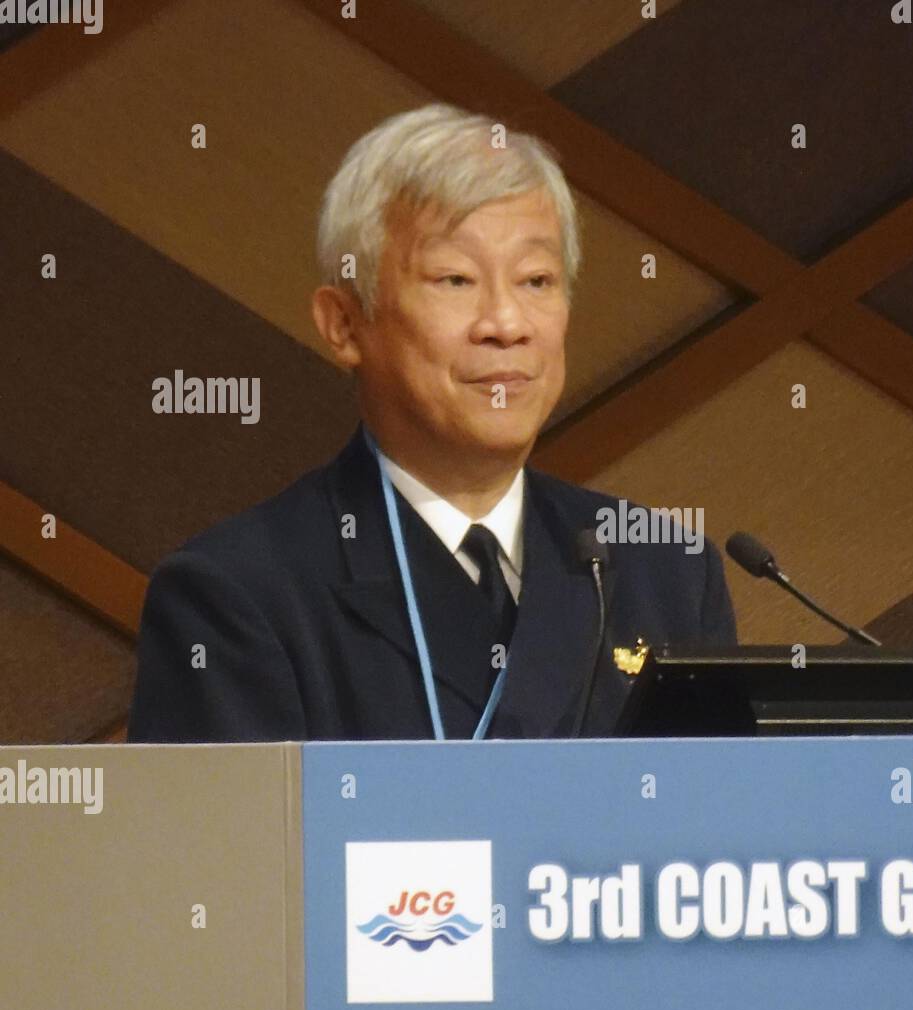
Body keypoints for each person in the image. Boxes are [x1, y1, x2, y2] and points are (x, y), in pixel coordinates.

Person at [127, 102, 736, 742]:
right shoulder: (238, 594)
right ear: (344, 323)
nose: (506, 324)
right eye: (455, 279)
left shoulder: (662, 570)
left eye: (536, 279)